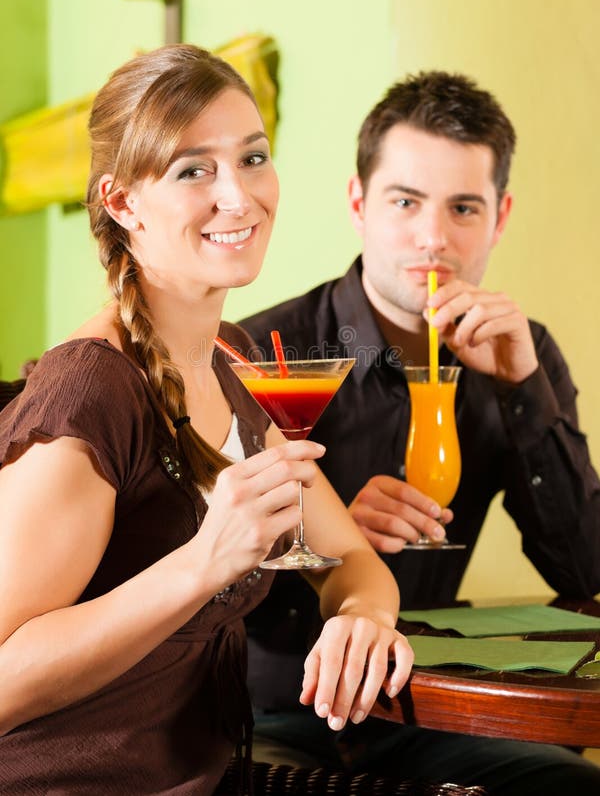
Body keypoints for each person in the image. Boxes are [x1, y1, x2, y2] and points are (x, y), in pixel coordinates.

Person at [0, 45, 414, 795]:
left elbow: (350, 559)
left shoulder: (234, 361)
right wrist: (201, 563)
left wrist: (361, 617)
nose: (239, 195)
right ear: (122, 203)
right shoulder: (90, 391)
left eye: (252, 158)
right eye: (194, 170)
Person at [240, 71, 600, 793]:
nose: (433, 238)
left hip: (432, 718)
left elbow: (587, 573)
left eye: (463, 208)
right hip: (273, 718)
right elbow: (210, 588)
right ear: (358, 204)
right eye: (405, 202)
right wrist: (331, 543)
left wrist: (524, 392)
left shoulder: (522, 353)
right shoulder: (267, 351)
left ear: (499, 217)